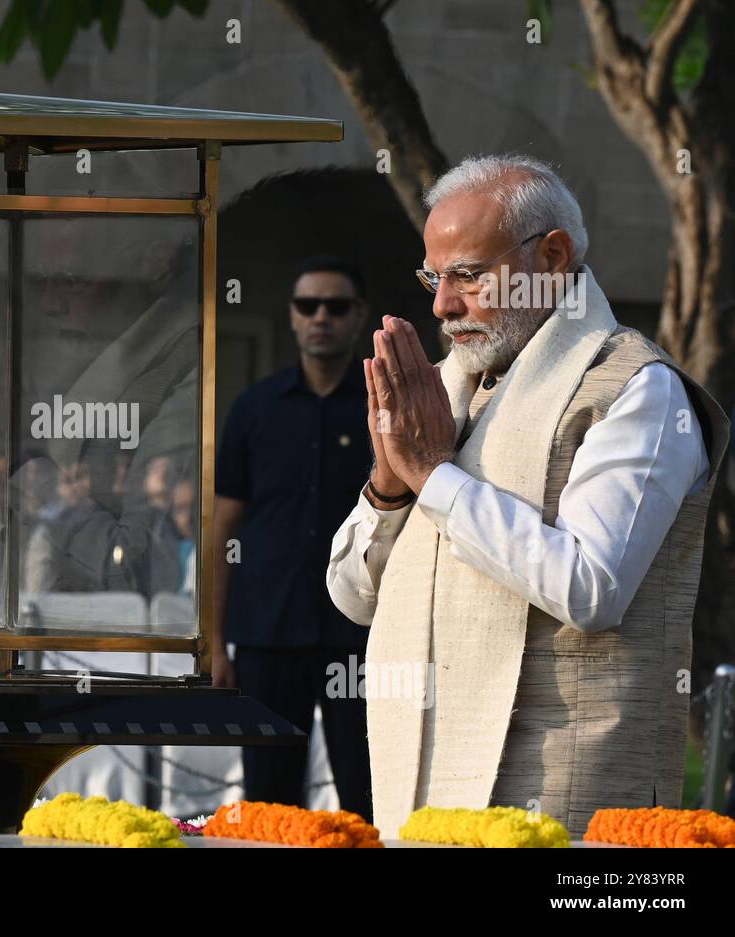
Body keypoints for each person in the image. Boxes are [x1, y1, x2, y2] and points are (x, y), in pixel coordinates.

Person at [326, 155, 728, 838]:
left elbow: (591, 586)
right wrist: (390, 486)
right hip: (426, 789)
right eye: (434, 276)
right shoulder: (450, 388)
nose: (442, 305)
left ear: (552, 255)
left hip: (565, 796)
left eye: (469, 276)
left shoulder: (638, 389)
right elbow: (351, 597)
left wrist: (435, 477)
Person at [212, 254, 375, 817]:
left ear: (359, 316)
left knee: (367, 797)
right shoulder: (253, 409)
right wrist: (214, 642)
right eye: (309, 306)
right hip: (267, 636)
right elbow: (221, 531)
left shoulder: (384, 409)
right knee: (269, 804)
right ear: (292, 316)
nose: (321, 317)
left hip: (360, 639)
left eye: (335, 306)